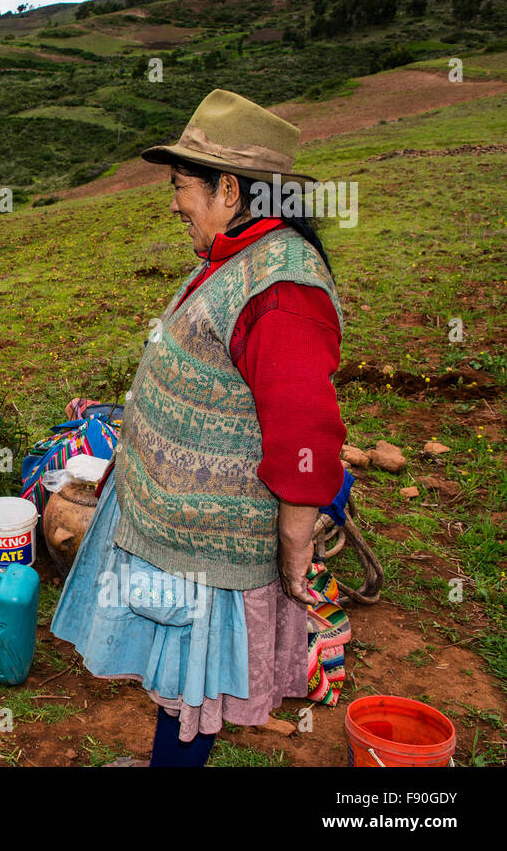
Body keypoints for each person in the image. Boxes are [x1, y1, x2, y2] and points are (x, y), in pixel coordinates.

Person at [50, 89, 346, 766]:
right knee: (182, 680)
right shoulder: (238, 257)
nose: (174, 202)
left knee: (195, 686)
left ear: (230, 189)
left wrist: (296, 543)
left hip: (214, 546)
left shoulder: (282, 291)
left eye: (181, 186)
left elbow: (305, 430)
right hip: (180, 531)